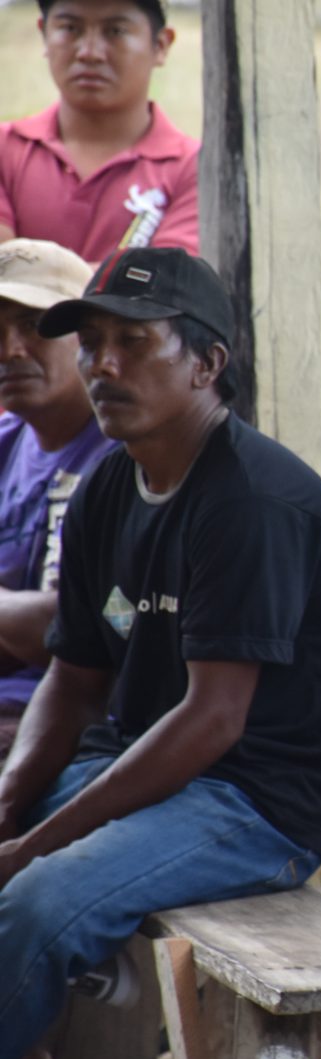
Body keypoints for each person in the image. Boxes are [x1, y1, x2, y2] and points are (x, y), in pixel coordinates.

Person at [0, 246, 321, 1059]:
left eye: (133, 342)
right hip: (143, 764)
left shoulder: (253, 500)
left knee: (36, 902)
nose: (102, 364)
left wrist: (32, 845)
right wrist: (11, 798)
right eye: (92, 342)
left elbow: (212, 721)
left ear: (208, 364)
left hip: (257, 803)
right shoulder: (109, 485)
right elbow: (74, 673)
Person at [0, 239, 115, 764]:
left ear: (89, 340)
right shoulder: (6, 441)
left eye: (34, 325)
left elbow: (69, 626)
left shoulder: (122, 455)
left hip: (64, 724)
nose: (10, 349)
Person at [1, 1, 199, 263]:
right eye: (70, 28)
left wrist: (32, 280)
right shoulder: (6, 148)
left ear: (161, 45)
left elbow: (165, 291)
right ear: (44, 35)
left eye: (115, 31)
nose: (89, 52)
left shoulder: (195, 168)